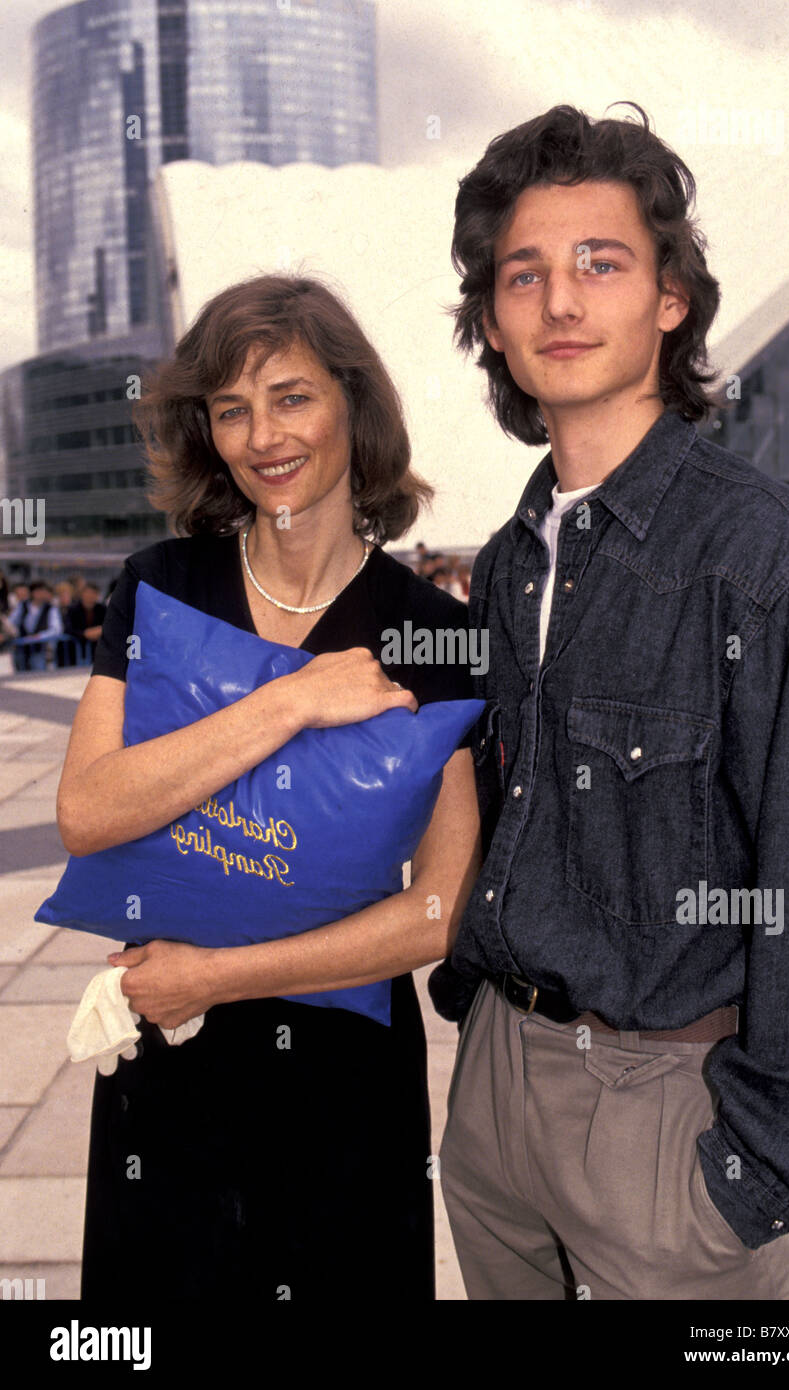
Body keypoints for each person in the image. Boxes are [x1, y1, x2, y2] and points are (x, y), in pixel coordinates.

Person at [429, 103, 789, 1300]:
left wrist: (761, 1166)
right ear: (491, 322)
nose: (558, 301)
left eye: (598, 263)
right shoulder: (517, 551)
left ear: (668, 299)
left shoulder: (777, 562)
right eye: (522, 275)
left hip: (665, 1116)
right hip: (494, 1090)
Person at [56, 273, 482, 1302]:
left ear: (352, 404)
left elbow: (435, 909)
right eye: (231, 408)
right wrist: (287, 703)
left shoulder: (433, 628)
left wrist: (213, 975)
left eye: (290, 396)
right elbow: (88, 810)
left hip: (339, 1085)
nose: (262, 435)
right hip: (168, 1082)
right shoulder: (160, 583)